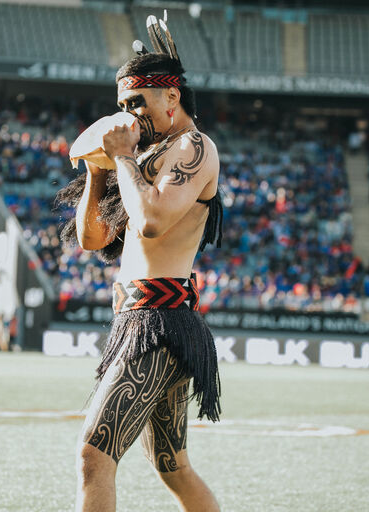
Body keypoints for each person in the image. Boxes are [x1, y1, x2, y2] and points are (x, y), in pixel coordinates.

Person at [56, 12, 223, 512]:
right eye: (122, 105)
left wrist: (124, 158)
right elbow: (93, 237)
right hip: (141, 320)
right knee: (172, 467)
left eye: (137, 102)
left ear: (171, 97)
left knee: (93, 455)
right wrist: (96, 170)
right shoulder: (146, 156)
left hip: (159, 323)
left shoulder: (194, 147)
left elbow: (151, 221)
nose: (128, 115)